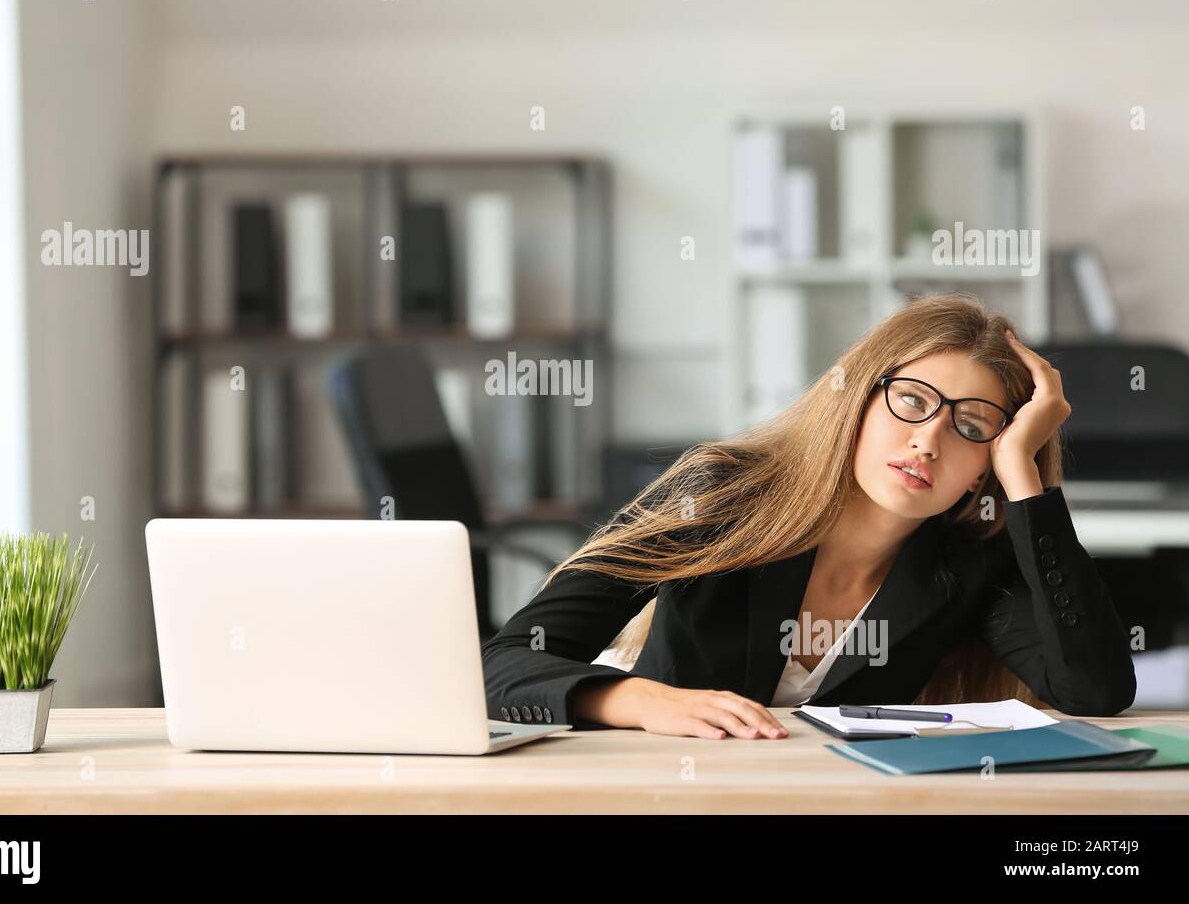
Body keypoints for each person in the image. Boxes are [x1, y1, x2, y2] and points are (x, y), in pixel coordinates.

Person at [480, 293, 1137, 740]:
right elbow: (500, 665)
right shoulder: (719, 494)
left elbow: (1094, 689)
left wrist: (1024, 476)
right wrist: (641, 700)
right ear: (858, 401)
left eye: (972, 424)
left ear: (985, 463)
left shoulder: (970, 561)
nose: (928, 441)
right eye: (912, 401)